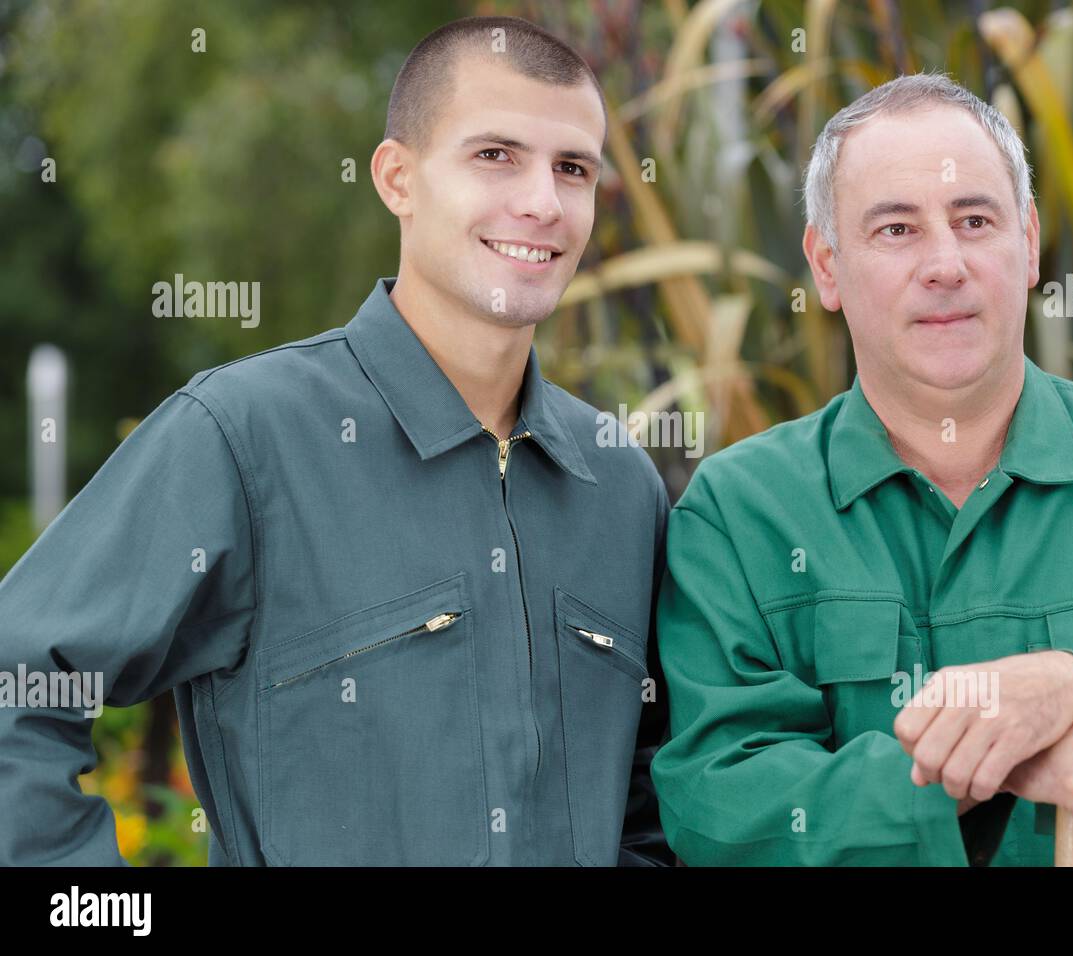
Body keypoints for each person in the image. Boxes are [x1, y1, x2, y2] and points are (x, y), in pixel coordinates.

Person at [0, 15, 671, 867]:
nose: (542, 201)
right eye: (495, 155)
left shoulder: (619, 484)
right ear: (397, 178)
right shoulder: (242, 437)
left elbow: (649, 796)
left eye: (572, 167)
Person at [649, 72, 1073, 866]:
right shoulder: (740, 511)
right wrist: (1002, 768)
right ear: (826, 265)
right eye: (896, 229)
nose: (945, 263)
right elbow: (720, 808)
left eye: (974, 219)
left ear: (1026, 242)